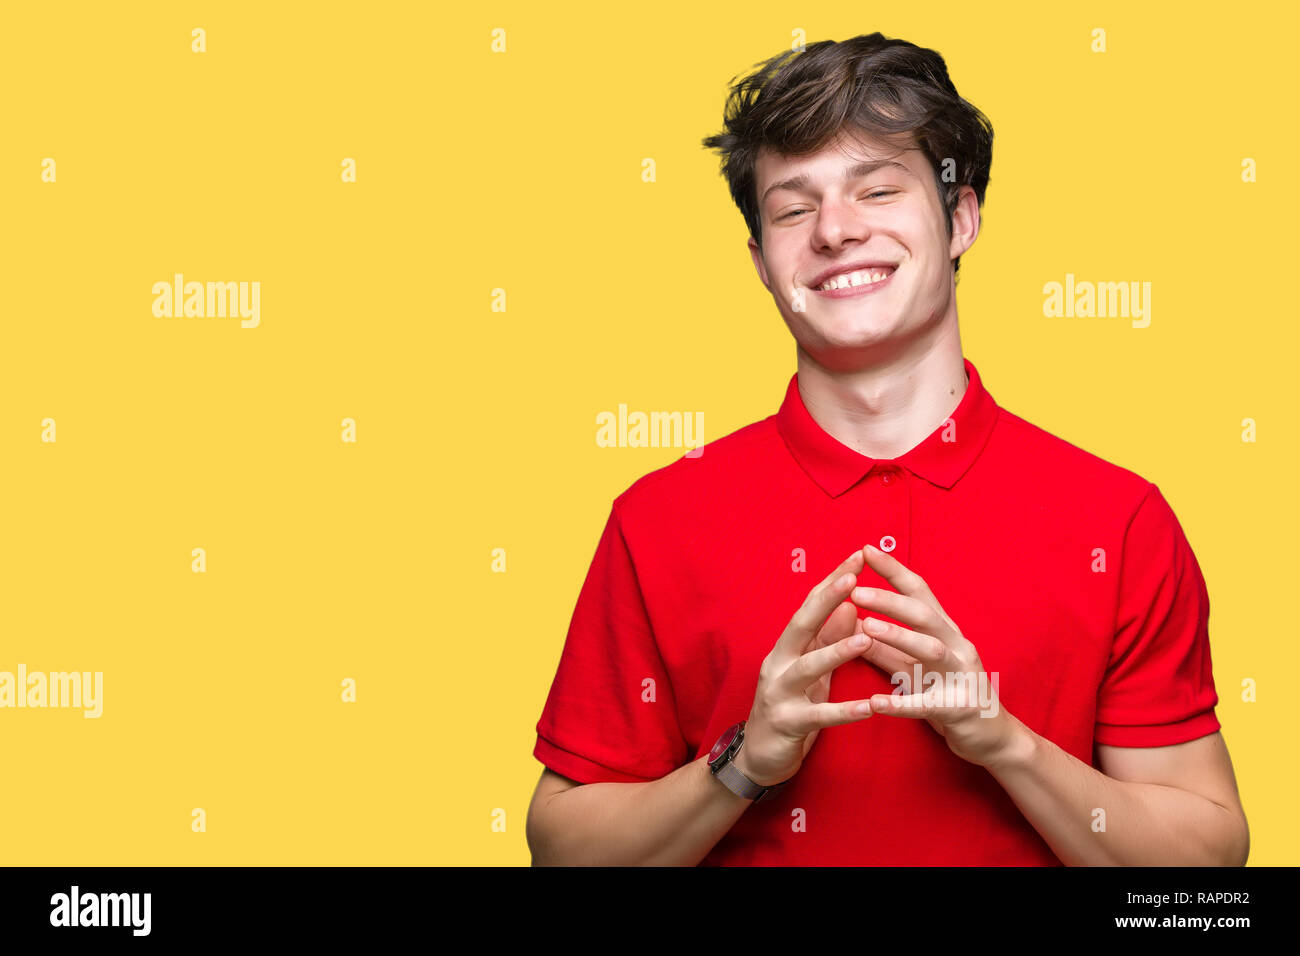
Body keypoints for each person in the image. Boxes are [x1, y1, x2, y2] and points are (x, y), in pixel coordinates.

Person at [525, 32, 1248, 866]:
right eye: (795, 208)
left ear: (960, 220)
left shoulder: (1117, 519)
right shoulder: (656, 519)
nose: (835, 230)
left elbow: (1205, 873)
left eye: (876, 189)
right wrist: (742, 764)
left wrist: (1001, 740)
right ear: (763, 263)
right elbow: (562, 853)